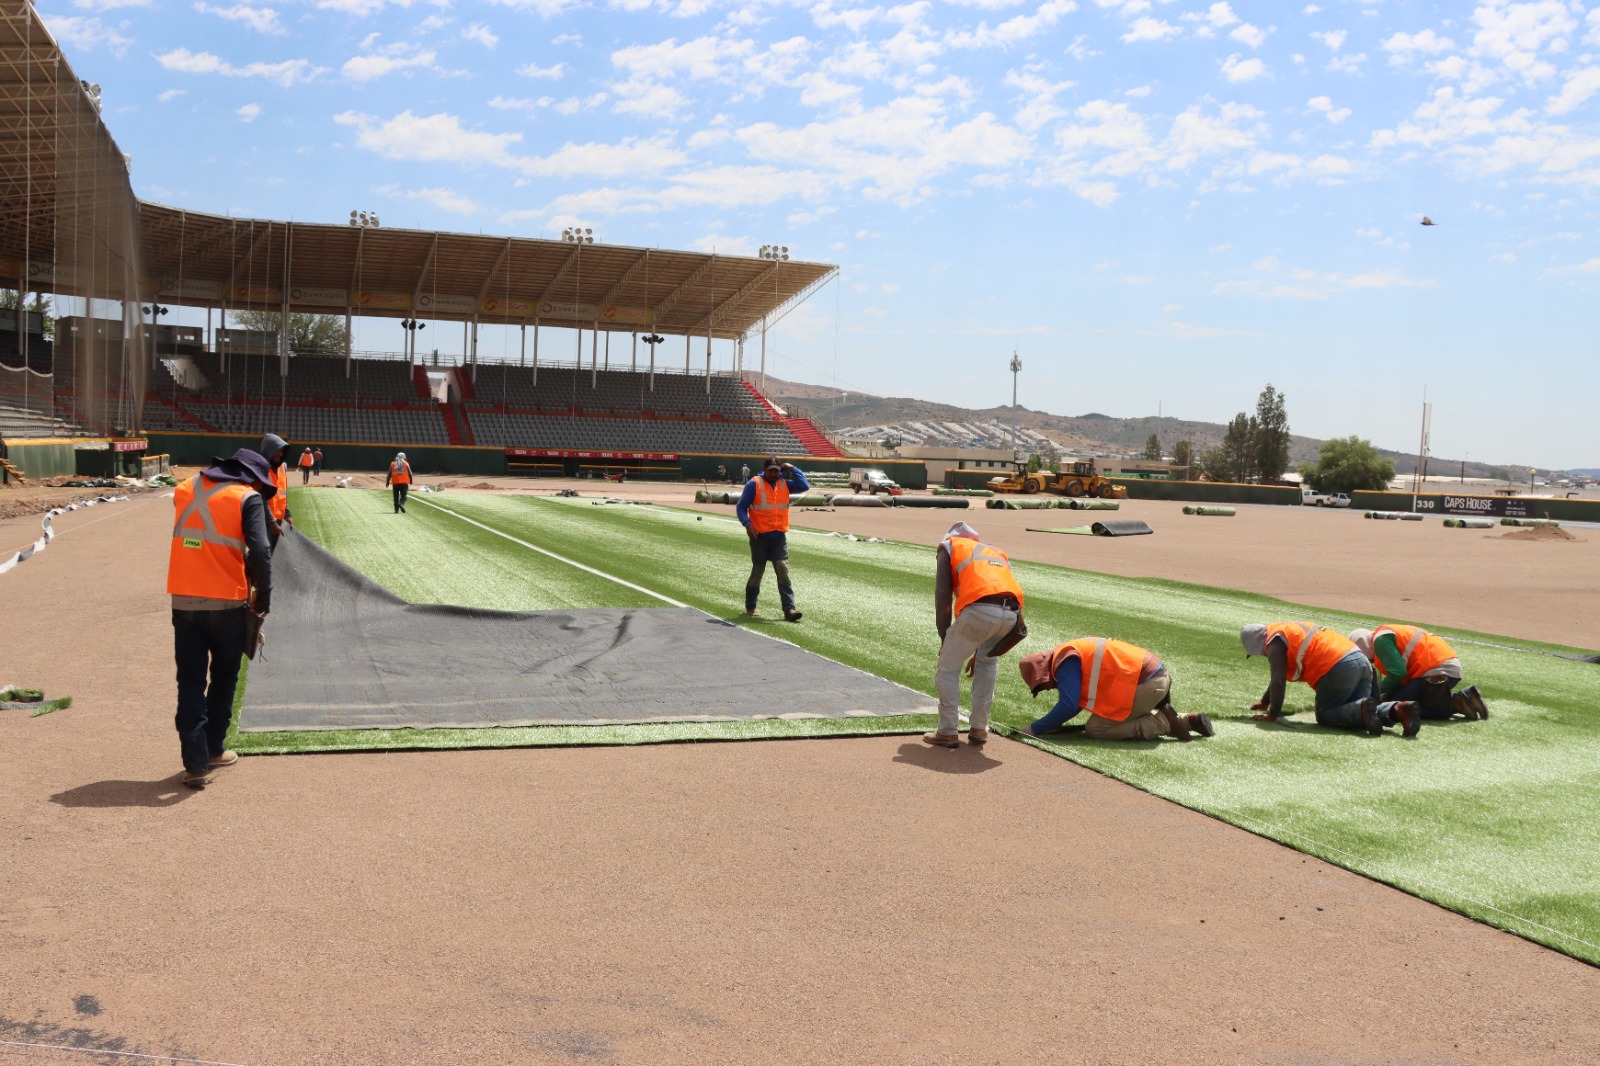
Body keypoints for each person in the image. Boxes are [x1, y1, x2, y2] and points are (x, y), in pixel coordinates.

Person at [168, 448, 274, 789]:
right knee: (225, 676)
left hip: (184, 599)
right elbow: (260, 550)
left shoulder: (185, 488)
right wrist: (264, 596)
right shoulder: (246, 498)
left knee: (190, 681)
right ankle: (214, 748)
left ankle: (194, 763)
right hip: (228, 600)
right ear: (251, 476)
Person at [928, 521, 1025, 748]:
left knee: (948, 667)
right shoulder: (993, 552)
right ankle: (979, 729)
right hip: (1011, 615)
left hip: (980, 611)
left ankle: (948, 731)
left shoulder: (949, 546)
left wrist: (945, 638)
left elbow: (942, 595)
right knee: (987, 665)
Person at [1014, 638, 1213, 741]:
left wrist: (1034, 728)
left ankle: (1163, 723)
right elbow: (1077, 704)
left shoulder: (1064, 660)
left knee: (1096, 728)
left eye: (1042, 685)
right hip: (1155, 680)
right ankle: (1187, 720)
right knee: (1106, 716)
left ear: (1043, 671)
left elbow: (1069, 704)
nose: (1048, 689)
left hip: (1146, 685)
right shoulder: (1068, 651)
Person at [1241, 622, 1419, 736]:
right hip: (1361, 661)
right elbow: (1278, 676)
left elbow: (1278, 679)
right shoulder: (1286, 630)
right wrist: (1265, 700)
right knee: (1362, 713)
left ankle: (1363, 707)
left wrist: (1272, 714)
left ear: (1256, 643)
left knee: (1326, 714)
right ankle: (1397, 709)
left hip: (1337, 667)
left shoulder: (1274, 643)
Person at [1348, 626, 1489, 721]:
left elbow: (1398, 673)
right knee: (1395, 700)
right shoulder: (1384, 635)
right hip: (1445, 667)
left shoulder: (1380, 641)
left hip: (1436, 670)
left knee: (1398, 708)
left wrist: (1378, 694)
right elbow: (1401, 677)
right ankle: (1463, 698)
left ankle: (1455, 702)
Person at [735, 455, 809, 622]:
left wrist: (792, 469)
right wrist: (747, 525)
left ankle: (789, 609)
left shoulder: (784, 484)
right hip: (759, 536)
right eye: (771, 471)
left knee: (782, 569)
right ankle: (751, 605)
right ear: (765, 469)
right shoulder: (754, 484)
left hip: (778, 536)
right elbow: (741, 507)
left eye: (777, 471)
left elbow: (804, 485)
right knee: (758, 571)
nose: (774, 474)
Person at [257, 432, 293, 549]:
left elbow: (283, 492)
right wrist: (272, 523)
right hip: (264, 522)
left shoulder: (282, 467)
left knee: (277, 555)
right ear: (269, 450)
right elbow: (261, 499)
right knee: (264, 553)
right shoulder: (260, 469)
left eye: (282, 450)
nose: (281, 454)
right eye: (278, 450)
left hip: (279, 520)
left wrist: (287, 514)